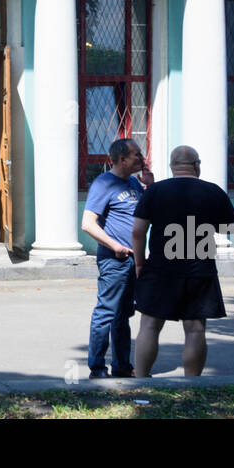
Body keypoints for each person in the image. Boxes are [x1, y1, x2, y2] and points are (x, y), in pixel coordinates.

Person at [130, 145, 234, 377]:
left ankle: (140, 379)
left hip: (159, 268)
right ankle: (192, 383)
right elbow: (231, 228)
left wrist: (139, 263)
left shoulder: (155, 191)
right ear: (196, 165)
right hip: (199, 269)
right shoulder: (212, 191)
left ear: (172, 167)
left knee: (149, 325)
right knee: (195, 330)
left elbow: (138, 232)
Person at [81, 138, 153, 378]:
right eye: (136, 155)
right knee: (106, 313)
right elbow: (88, 224)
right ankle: (97, 369)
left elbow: (148, 214)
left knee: (123, 315)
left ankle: (122, 367)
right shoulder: (104, 184)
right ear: (122, 159)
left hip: (133, 259)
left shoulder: (133, 182)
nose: (141, 159)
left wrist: (150, 186)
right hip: (115, 260)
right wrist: (115, 247)